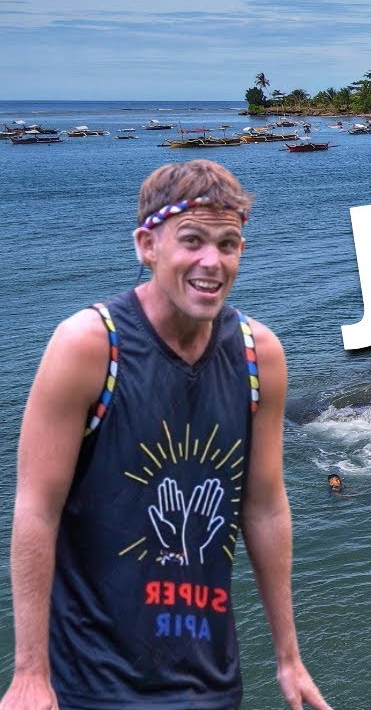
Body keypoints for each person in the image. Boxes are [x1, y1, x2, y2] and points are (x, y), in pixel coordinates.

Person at [2, 160, 329, 710]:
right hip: (89, 682)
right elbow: (37, 508)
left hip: (209, 682)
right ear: (147, 245)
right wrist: (30, 672)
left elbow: (265, 507)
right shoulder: (89, 346)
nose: (212, 261)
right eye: (192, 240)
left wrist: (289, 659)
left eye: (228, 244)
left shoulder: (259, 356)